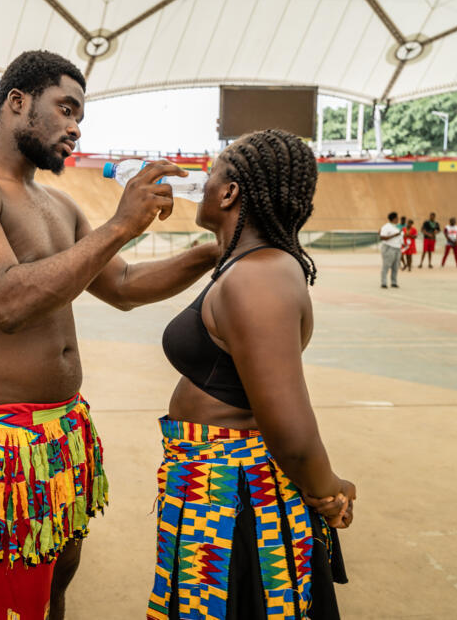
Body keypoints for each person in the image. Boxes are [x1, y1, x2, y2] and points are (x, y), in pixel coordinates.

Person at [0, 50, 221, 620]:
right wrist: (120, 225)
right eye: (65, 108)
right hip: (1, 439)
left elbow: (126, 285)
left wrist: (214, 251)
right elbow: (4, 302)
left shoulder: (57, 202)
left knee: (59, 578)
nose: (75, 127)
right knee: (8, 605)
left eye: (79, 114)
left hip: (64, 428)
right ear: (17, 103)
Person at [149, 129, 351, 619]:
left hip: (238, 498)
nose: (201, 180)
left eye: (211, 171)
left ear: (230, 191)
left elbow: (289, 428)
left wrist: (328, 488)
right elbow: (122, 286)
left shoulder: (259, 275)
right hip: (213, 490)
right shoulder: (245, 265)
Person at [379, 212, 403, 288]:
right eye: (397, 217)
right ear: (393, 218)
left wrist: (402, 243)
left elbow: (399, 237)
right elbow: (382, 237)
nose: (398, 219)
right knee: (386, 266)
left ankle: (394, 282)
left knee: (395, 266)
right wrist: (394, 235)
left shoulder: (397, 227)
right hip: (389, 248)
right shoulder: (386, 227)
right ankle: (384, 282)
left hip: (397, 248)